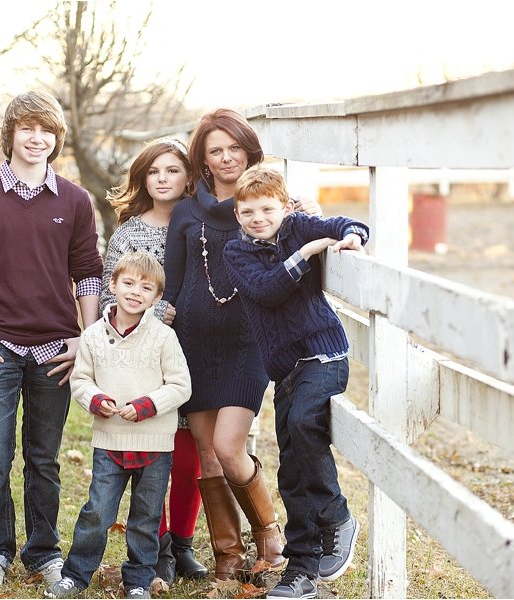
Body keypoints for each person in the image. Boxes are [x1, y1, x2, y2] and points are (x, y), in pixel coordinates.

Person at [0, 91, 103, 587]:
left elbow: (89, 275)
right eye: (27, 128)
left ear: (57, 138)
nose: (37, 138)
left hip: (56, 349)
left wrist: (86, 339)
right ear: (9, 133)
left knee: (43, 457)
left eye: (47, 130)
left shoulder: (74, 200)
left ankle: (42, 550)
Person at [162, 108, 321, 581]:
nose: (227, 157)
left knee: (230, 447)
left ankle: (270, 534)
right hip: (192, 341)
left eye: (234, 147)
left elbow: (308, 228)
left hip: (248, 342)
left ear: (248, 150)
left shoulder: (268, 201)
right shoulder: (188, 210)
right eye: (216, 150)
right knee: (206, 452)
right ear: (204, 160)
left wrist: (310, 214)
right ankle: (227, 554)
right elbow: (172, 277)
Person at [223, 167, 367, 598]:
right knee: (290, 469)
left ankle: (338, 517)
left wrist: (352, 235)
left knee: (306, 422)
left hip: (323, 353)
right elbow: (267, 290)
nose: (257, 217)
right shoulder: (237, 253)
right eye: (247, 211)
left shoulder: (298, 225)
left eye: (267, 208)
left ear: (285, 208)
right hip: (284, 370)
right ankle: (301, 569)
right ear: (237, 214)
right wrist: (305, 254)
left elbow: (341, 224)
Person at [45, 252, 192, 600]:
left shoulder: (163, 337)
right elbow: (80, 380)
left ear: (156, 298)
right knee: (98, 510)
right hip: (110, 440)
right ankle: (76, 575)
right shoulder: (93, 336)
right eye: (128, 283)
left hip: (154, 443)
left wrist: (146, 405)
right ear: (112, 285)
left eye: (146, 288)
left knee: (146, 517)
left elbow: (180, 385)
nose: (135, 292)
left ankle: (139, 580)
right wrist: (95, 399)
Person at [100, 139, 208, 583]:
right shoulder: (129, 232)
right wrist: (156, 313)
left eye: (173, 170)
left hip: (198, 350)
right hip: (145, 359)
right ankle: (157, 546)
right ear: (144, 179)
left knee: (190, 455)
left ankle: (182, 543)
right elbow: (111, 294)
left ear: (188, 177)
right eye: (154, 172)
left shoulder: (202, 221)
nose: (163, 179)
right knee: (153, 450)